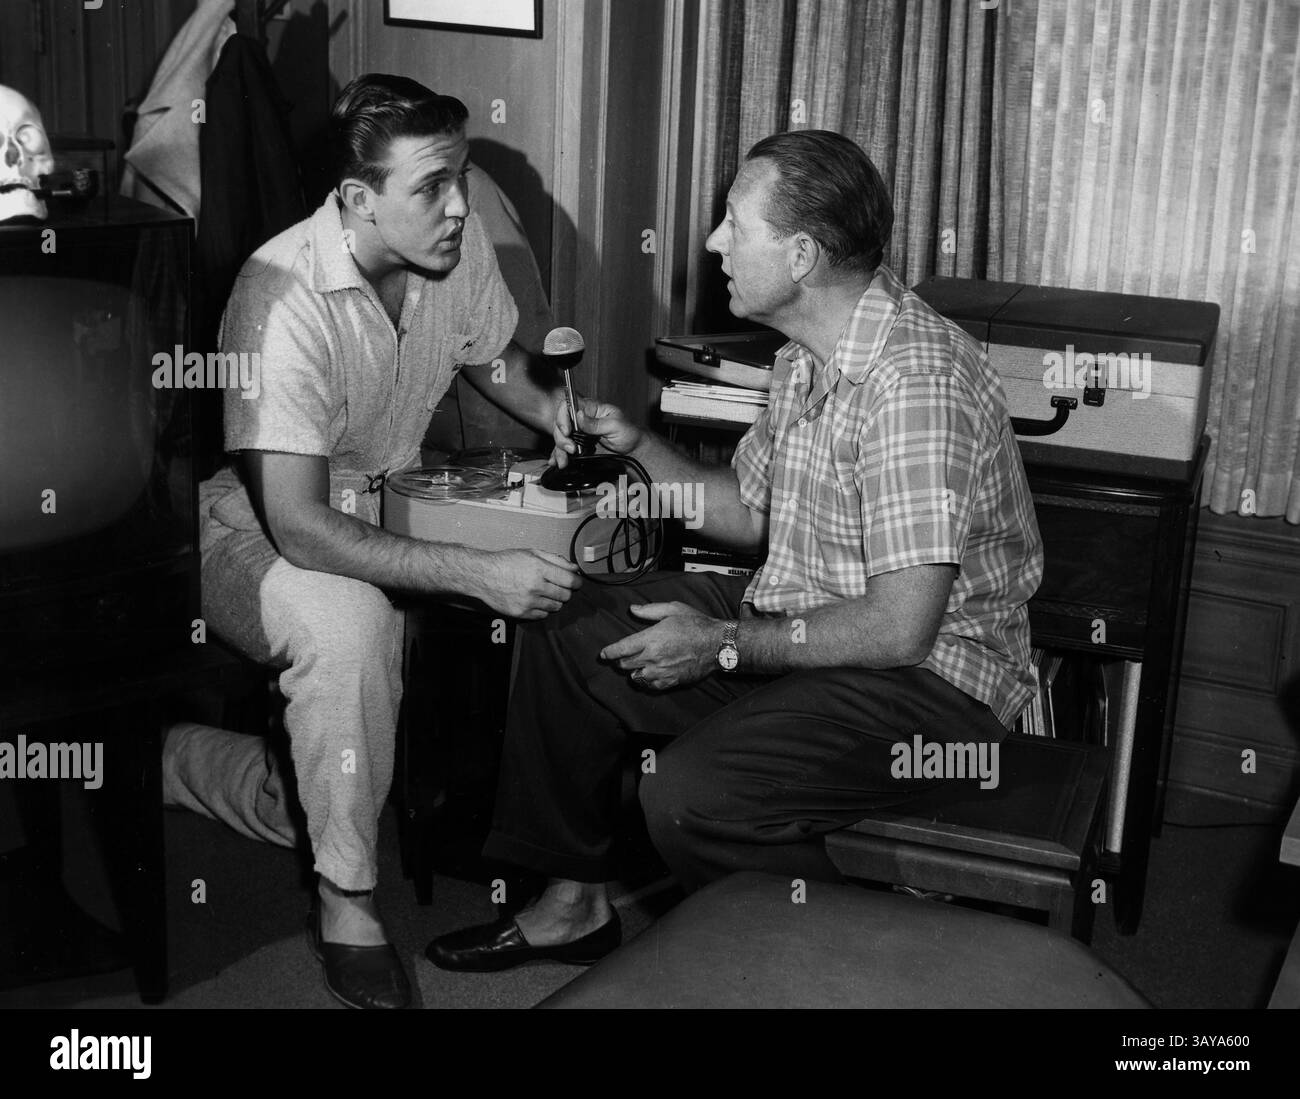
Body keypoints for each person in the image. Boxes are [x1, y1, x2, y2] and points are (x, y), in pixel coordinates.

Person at [427, 129, 1044, 972]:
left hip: (934, 687)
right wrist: (638, 445)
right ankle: (573, 903)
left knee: (687, 794)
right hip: (812, 626)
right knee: (559, 613)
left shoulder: (913, 385)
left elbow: (902, 628)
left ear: (800, 255)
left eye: (733, 223)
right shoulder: (809, 355)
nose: (715, 242)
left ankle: (858, 971)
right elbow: (752, 515)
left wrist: (719, 643)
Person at [163, 73, 581, 1008]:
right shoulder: (279, 293)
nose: (460, 207)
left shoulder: (450, 250)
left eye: (461, 177)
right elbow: (303, 526)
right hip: (252, 529)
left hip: (385, 505)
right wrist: (477, 570)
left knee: (309, 791)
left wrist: (566, 420)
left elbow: (496, 359)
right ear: (358, 200)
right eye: (432, 186)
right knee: (351, 628)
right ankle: (349, 904)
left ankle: (192, 764)